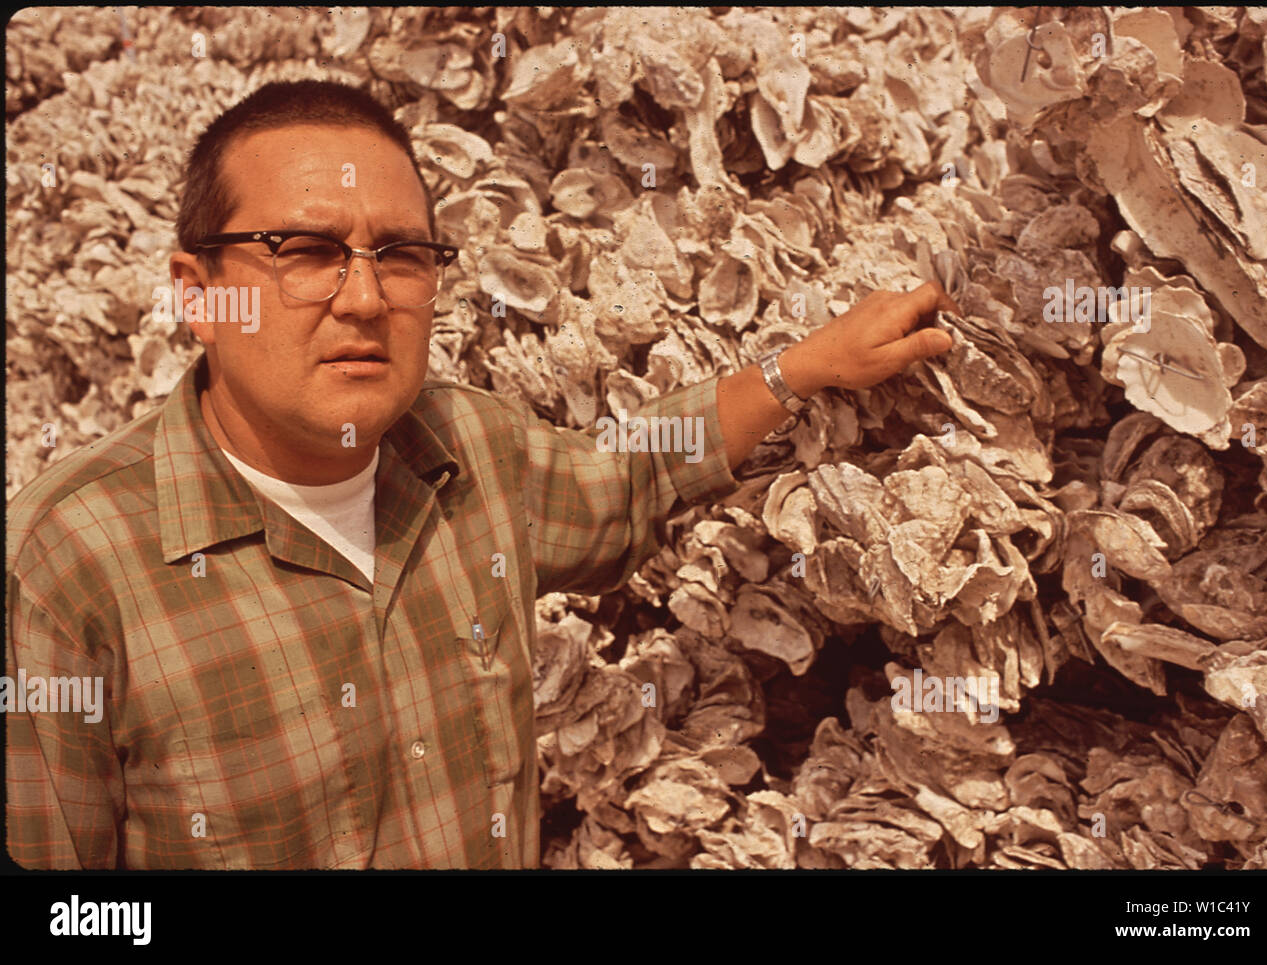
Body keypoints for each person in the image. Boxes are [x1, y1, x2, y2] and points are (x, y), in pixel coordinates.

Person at [5, 80, 956, 869]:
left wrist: (801, 369)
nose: (366, 298)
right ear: (196, 292)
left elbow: (626, 483)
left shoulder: (468, 447)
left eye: (402, 256)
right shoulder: (65, 568)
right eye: (305, 253)